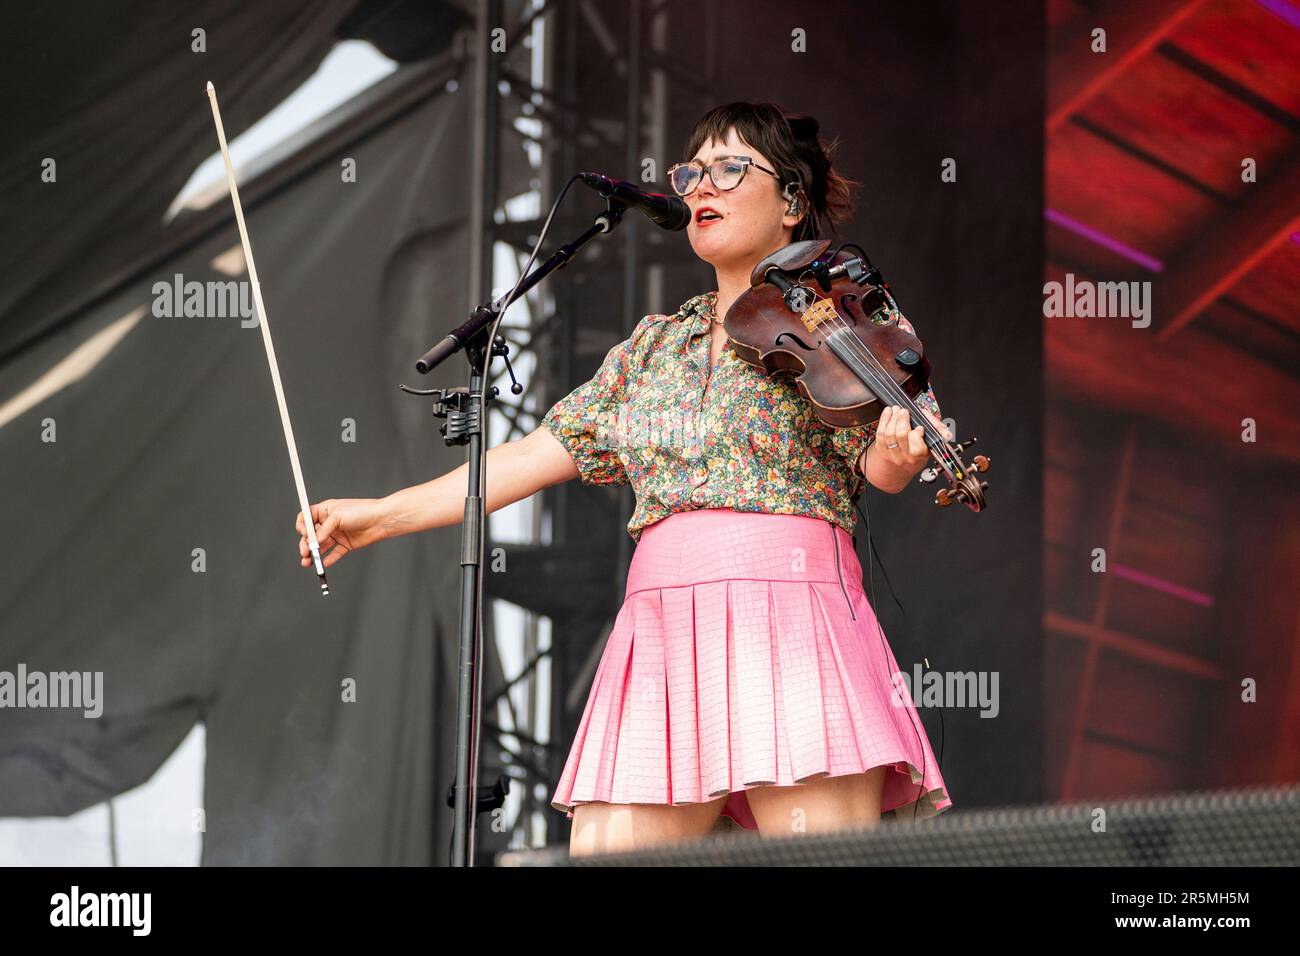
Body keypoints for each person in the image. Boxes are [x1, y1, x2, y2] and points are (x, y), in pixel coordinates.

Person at [295, 101, 953, 858]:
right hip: (662, 633)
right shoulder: (652, 348)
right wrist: (374, 517)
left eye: (732, 168)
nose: (703, 184)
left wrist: (897, 460)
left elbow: (885, 454)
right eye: (693, 171)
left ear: (792, 202)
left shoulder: (839, 317)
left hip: (792, 618)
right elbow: (523, 459)